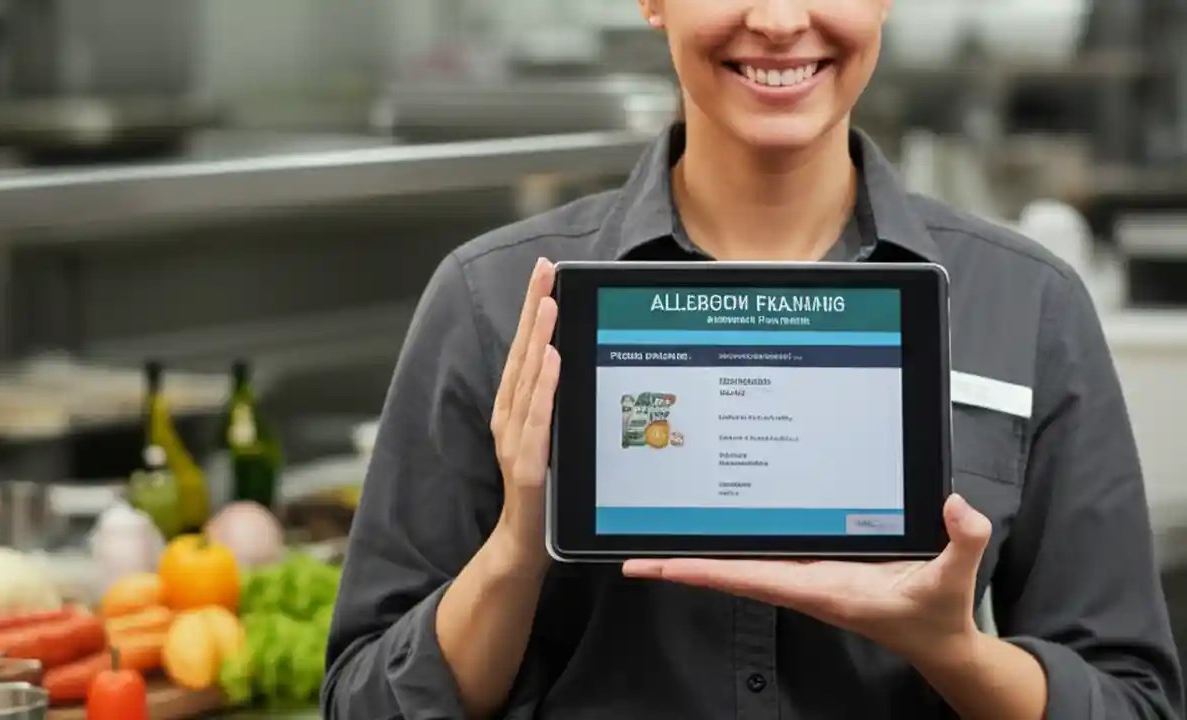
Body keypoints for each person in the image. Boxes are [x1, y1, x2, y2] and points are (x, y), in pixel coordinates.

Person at [322, 0, 1184, 718]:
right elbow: (362, 702)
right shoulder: (494, 301)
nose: (777, 20)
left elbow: (1133, 701)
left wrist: (953, 650)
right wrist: (518, 545)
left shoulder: (1028, 304)